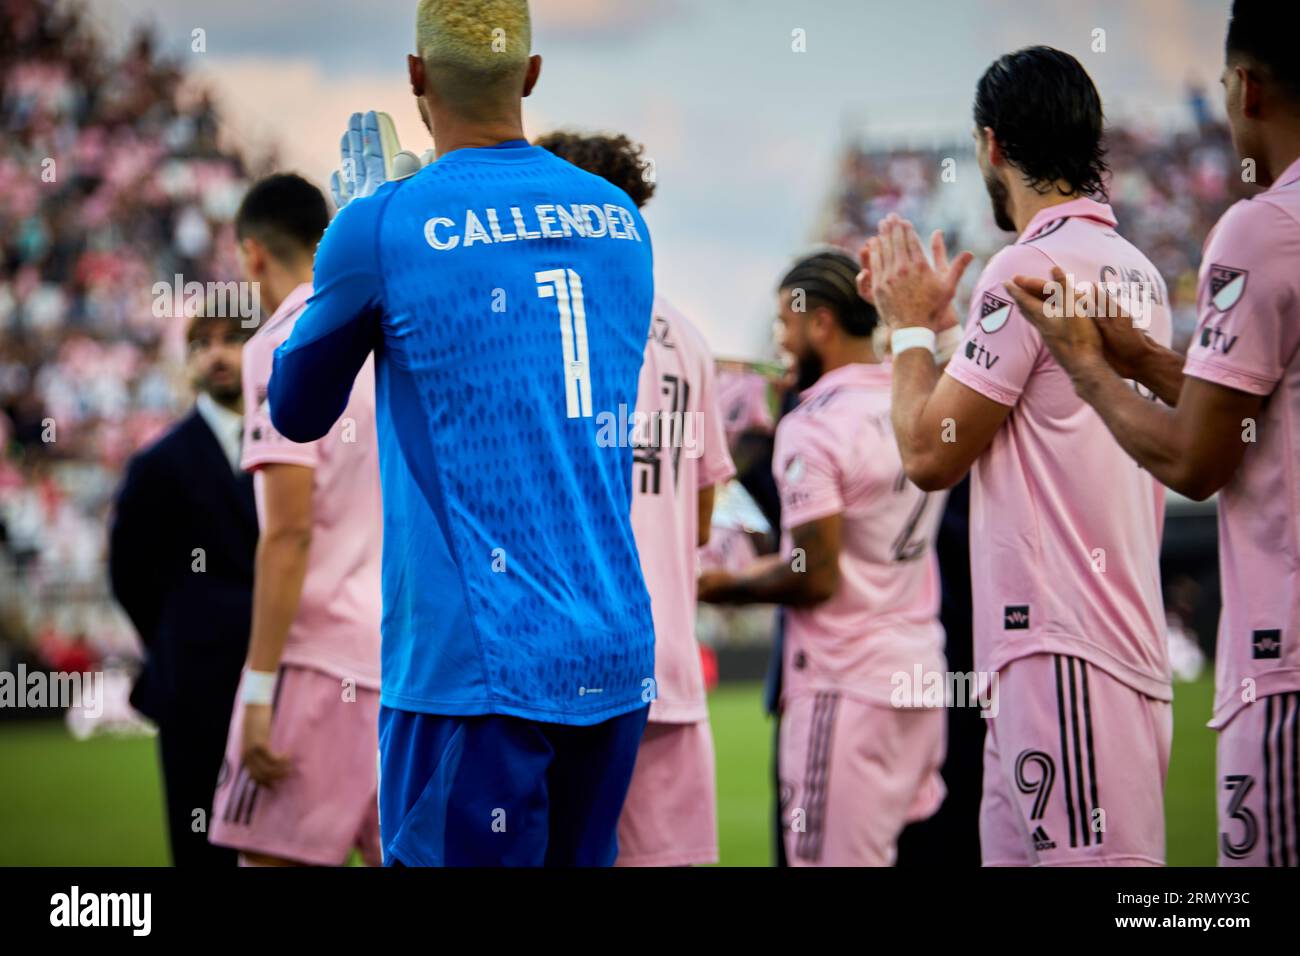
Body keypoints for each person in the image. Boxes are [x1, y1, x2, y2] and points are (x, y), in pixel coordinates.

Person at [266, 0, 656, 866]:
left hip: (473, 670)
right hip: (613, 647)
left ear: (416, 77)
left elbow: (295, 408)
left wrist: (354, 228)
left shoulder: (382, 224)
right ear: (532, 73)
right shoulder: (620, 220)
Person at [1003, 0, 1300, 867]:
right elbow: (1258, 406)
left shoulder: (1262, 227)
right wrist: (1144, 357)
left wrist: (1088, 364)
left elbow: (1195, 458)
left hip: (1284, 667)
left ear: (1246, 88)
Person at [862, 46, 1174, 865]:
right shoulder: (1137, 268)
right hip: (1100, 641)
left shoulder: (1029, 264)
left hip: (1061, 645)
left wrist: (912, 329)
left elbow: (930, 454)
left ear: (992, 145)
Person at [699, 250, 948, 866]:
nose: (780, 339)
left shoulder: (814, 424)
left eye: (786, 321)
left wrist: (717, 585)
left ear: (822, 323)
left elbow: (816, 575)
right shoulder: (915, 395)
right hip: (919, 673)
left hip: (845, 685)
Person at [534, 130, 736, 867]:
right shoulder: (688, 336)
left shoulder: (539, 325)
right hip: (670, 659)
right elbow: (701, 518)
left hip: (572, 666)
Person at [208, 173, 383, 867]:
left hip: (316, 662)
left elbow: (289, 531)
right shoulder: (384, 332)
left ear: (252, 255)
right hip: (404, 660)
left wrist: (256, 690)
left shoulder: (281, 342)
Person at [109, 312, 256, 867]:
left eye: (232, 340)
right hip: (197, 691)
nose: (216, 354)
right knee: (204, 851)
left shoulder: (299, 445)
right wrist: (180, 639)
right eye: (202, 344)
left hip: (293, 684)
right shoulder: (159, 463)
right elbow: (128, 574)